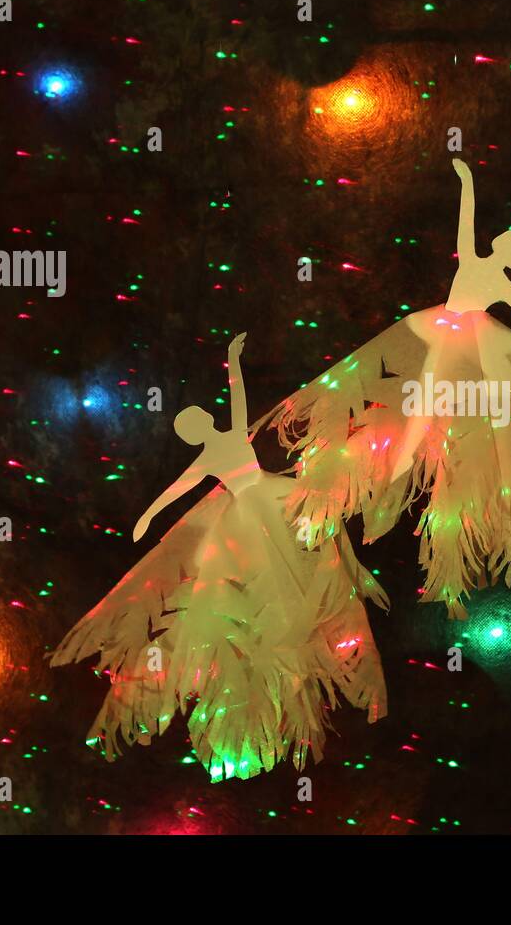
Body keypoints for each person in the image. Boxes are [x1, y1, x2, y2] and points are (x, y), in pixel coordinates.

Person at [262, 159, 511, 618]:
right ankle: (401, 463)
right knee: (428, 396)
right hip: (442, 333)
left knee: (478, 415)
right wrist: (466, 184)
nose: (510, 255)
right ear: (501, 245)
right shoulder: (474, 259)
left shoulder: (500, 282)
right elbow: (466, 229)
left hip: (471, 346)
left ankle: (434, 477)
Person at [51, 333, 388, 782]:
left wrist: (233, 361)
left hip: (270, 497)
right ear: (195, 432)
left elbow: (239, 398)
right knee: (270, 573)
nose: (203, 425)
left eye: (199, 420)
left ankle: (314, 627)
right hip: (251, 512)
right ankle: (297, 646)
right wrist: (148, 518)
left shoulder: (230, 434)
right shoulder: (209, 456)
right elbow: (178, 489)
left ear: (205, 420)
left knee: (302, 553)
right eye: (194, 426)